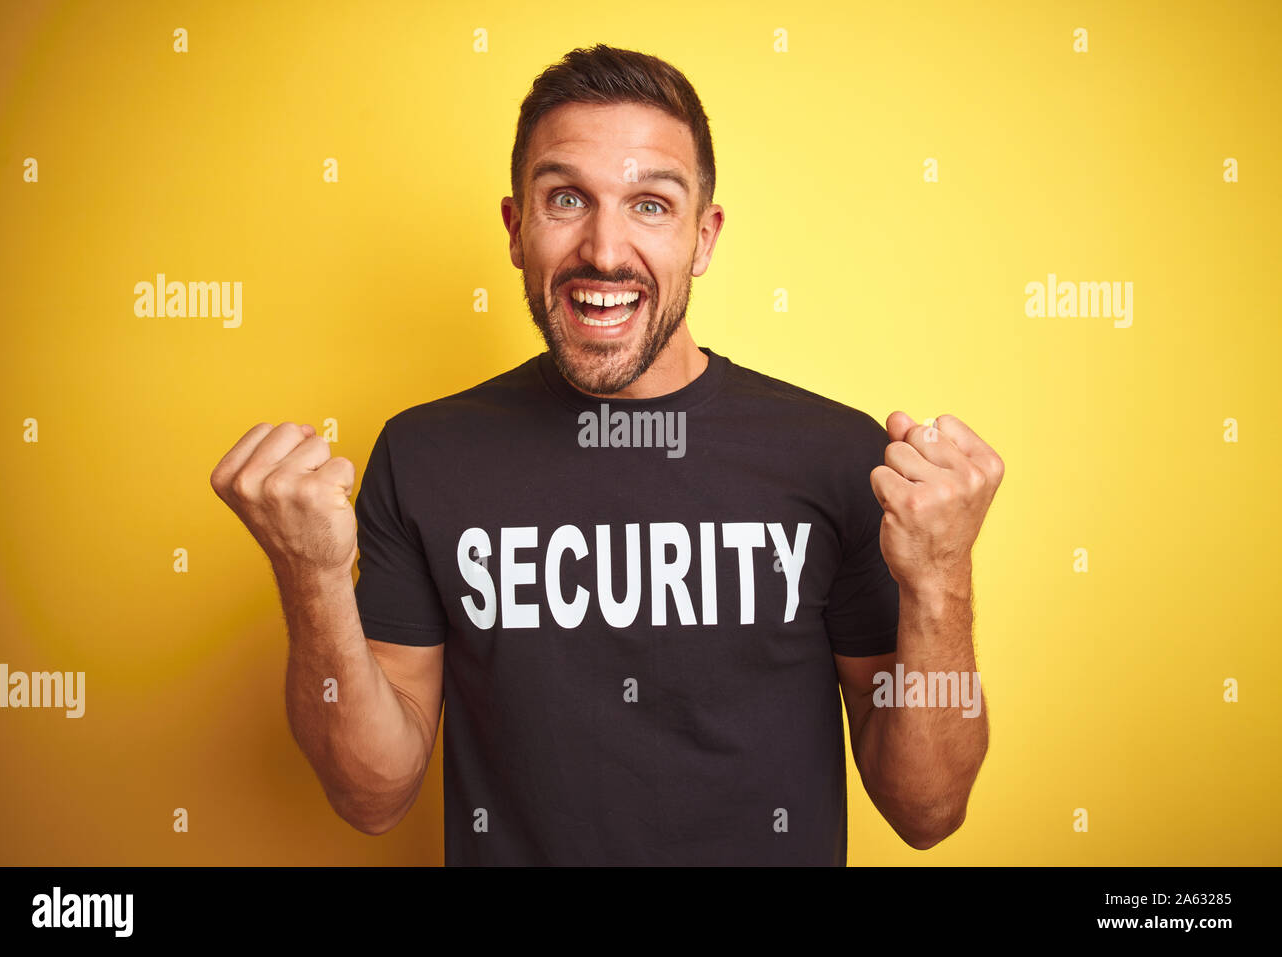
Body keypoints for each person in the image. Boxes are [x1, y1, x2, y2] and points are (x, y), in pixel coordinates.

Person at [210, 44, 1002, 866]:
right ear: (518, 229)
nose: (605, 250)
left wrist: (942, 571)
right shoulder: (424, 455)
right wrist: (311, 580)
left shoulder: (840, 457)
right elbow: (372, 795)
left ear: (704, 236)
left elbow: (928, 808)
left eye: (651, 205)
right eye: (566, 199)